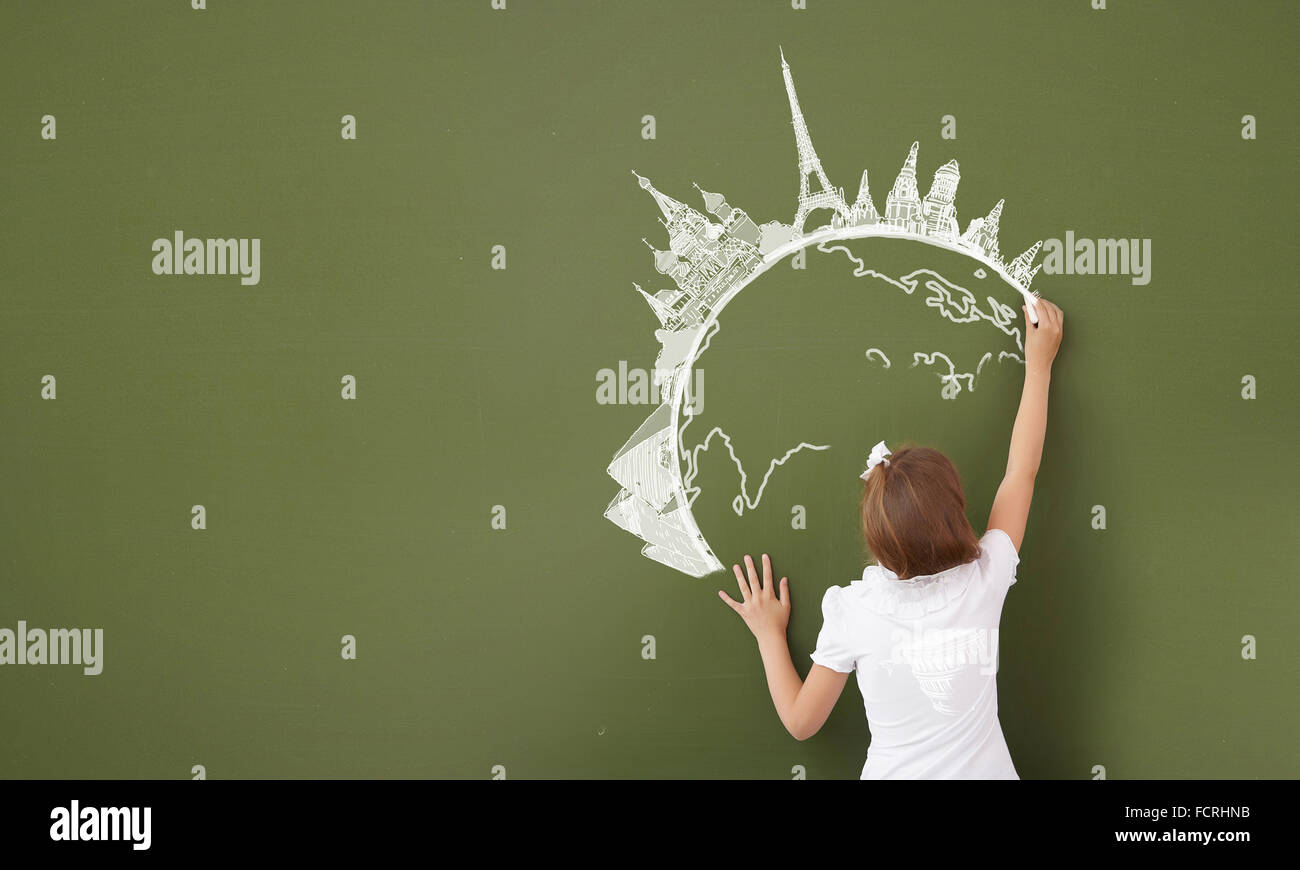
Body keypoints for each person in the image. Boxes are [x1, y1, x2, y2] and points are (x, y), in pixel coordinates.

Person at [719, 299, 1064, 778]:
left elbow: (801, 723)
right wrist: (1039, 366)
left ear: (876, 538)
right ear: (956, 515)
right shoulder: (985, 577)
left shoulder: (855, 612)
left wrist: (769, 633)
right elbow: (1020, 473)